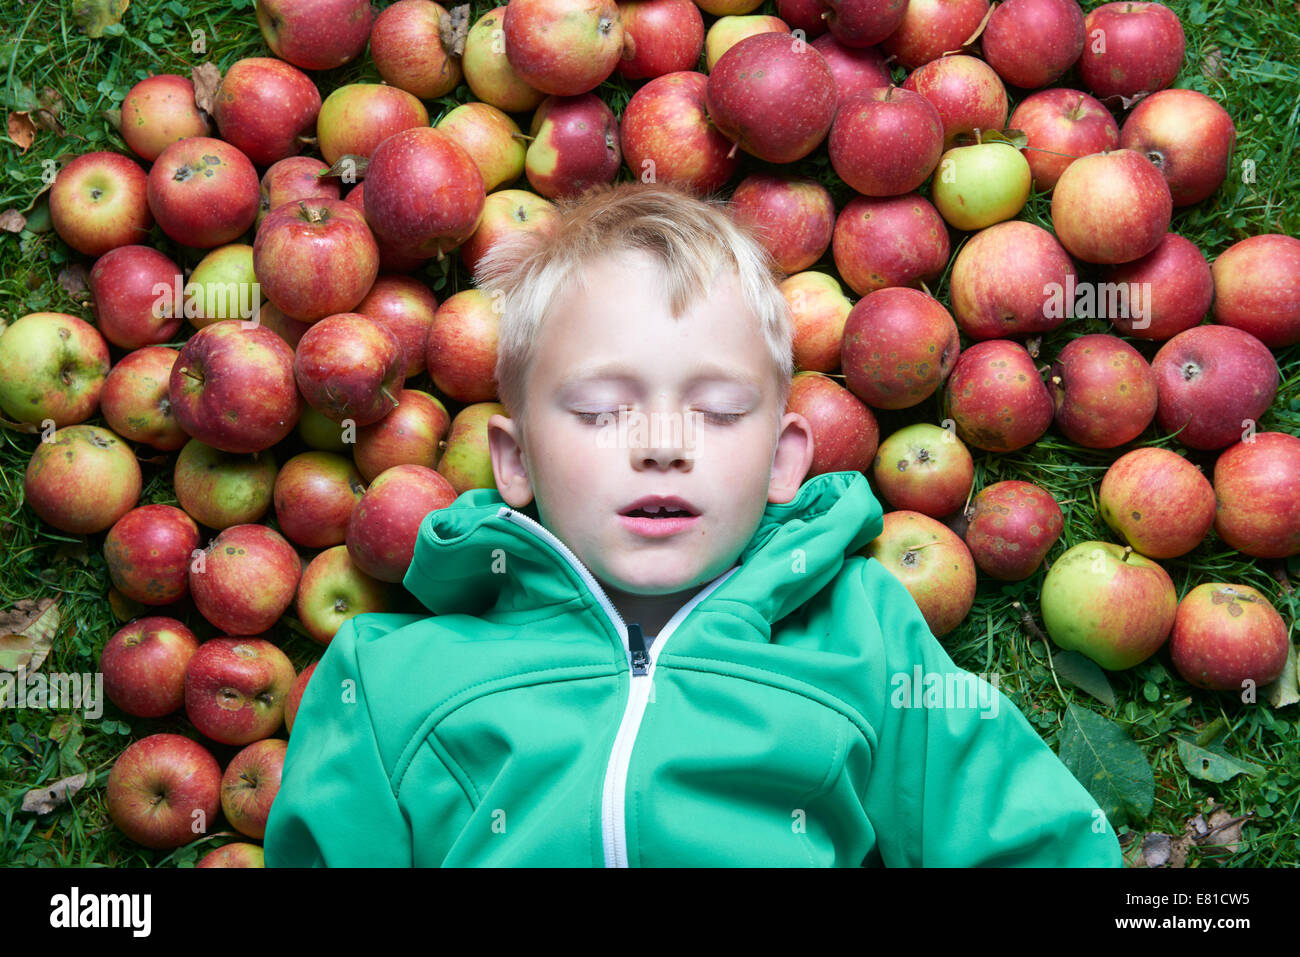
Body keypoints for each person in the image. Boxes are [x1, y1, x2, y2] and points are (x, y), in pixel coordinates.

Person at [263, 181, 1122, 867]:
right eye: (602, 409)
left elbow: (1031, 842)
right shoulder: (386, 681)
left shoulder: (863, 639)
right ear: (514, 461)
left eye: (715, 410)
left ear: (786, 459)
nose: (665, 444)